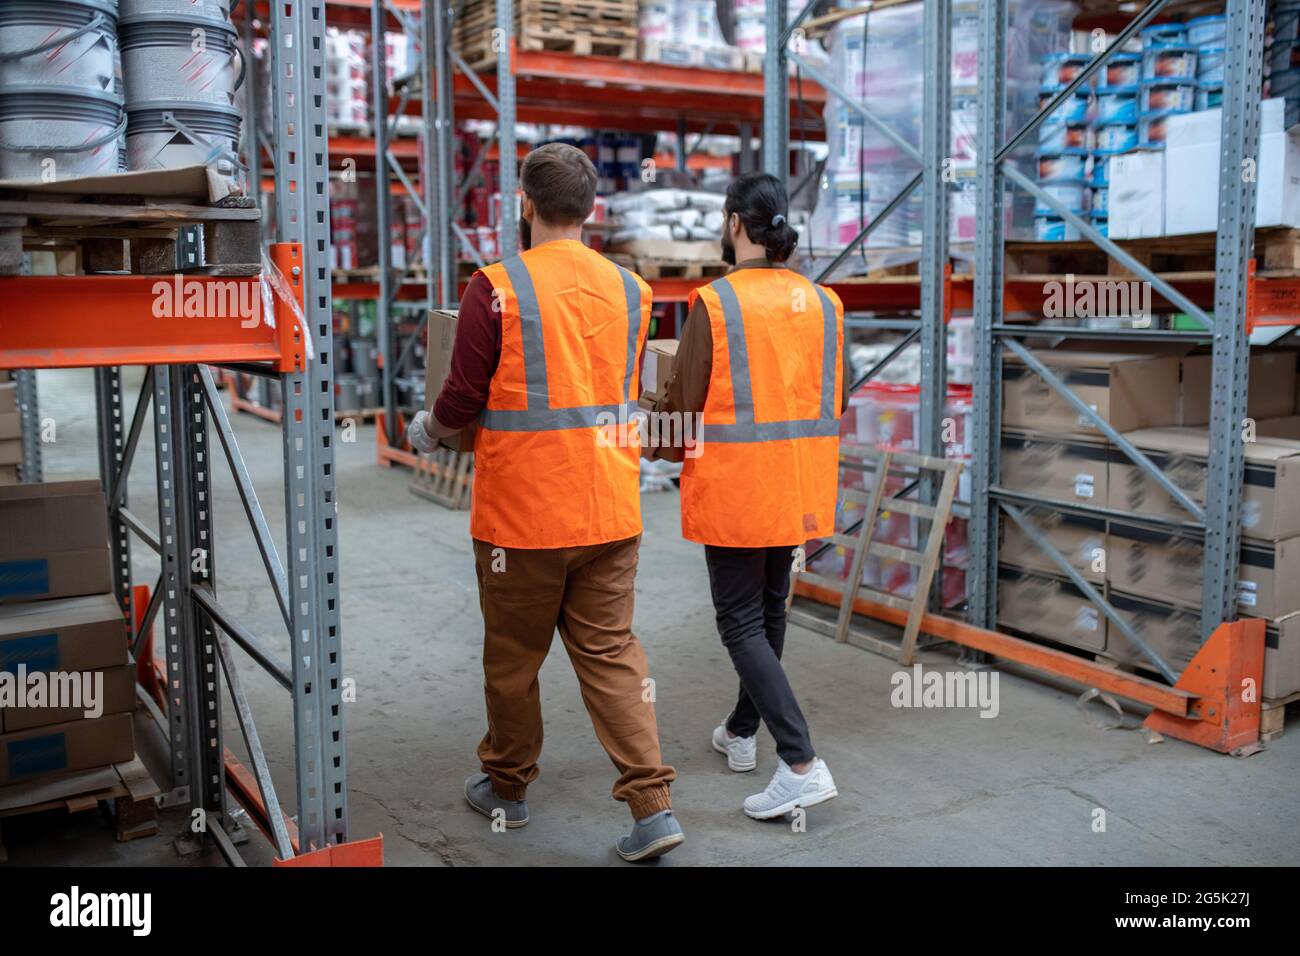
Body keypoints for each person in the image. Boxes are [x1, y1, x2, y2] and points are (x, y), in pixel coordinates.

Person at [408, 142, 683, 862]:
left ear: (524, 204)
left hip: (523, 521)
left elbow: (464, 394)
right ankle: (652, 806)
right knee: (612, 652)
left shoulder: (495, 288)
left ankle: (507, 790)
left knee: (514, 658)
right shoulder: (633, 291)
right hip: (610, 508)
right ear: (589, 210)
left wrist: (429, 430)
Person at [656, 171, 848, 820]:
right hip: (796, 484)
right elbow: (834, 400)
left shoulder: (716, 304)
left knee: (740, 622)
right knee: (768, 615)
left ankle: (799, 761)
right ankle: (742, 732)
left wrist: (640, 431)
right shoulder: (824, 304)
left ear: (736, 223)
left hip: (738, 487)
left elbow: (680, 410)